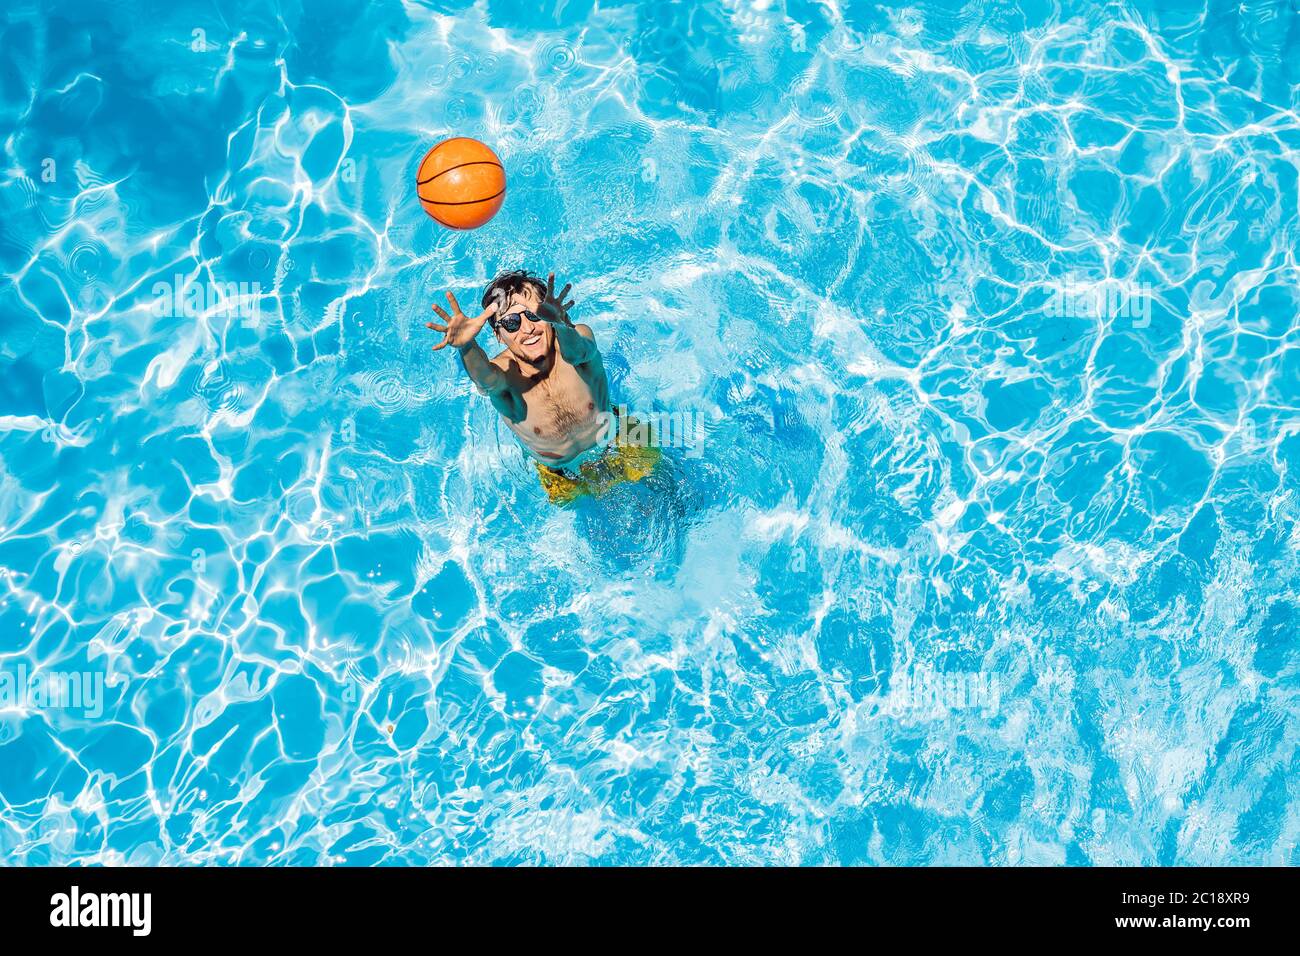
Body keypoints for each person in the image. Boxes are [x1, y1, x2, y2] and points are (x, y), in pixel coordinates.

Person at [427, 269, 660, 504]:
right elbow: (486, 380)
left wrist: (560, 324)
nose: (527, 329)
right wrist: (466, 347)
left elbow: (577, 351)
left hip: (619, 438)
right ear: (498, 335)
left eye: (534, 314)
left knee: (672, 499)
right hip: (562, 474)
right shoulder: (505, 377)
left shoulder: (575, 339)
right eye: (511, 322)